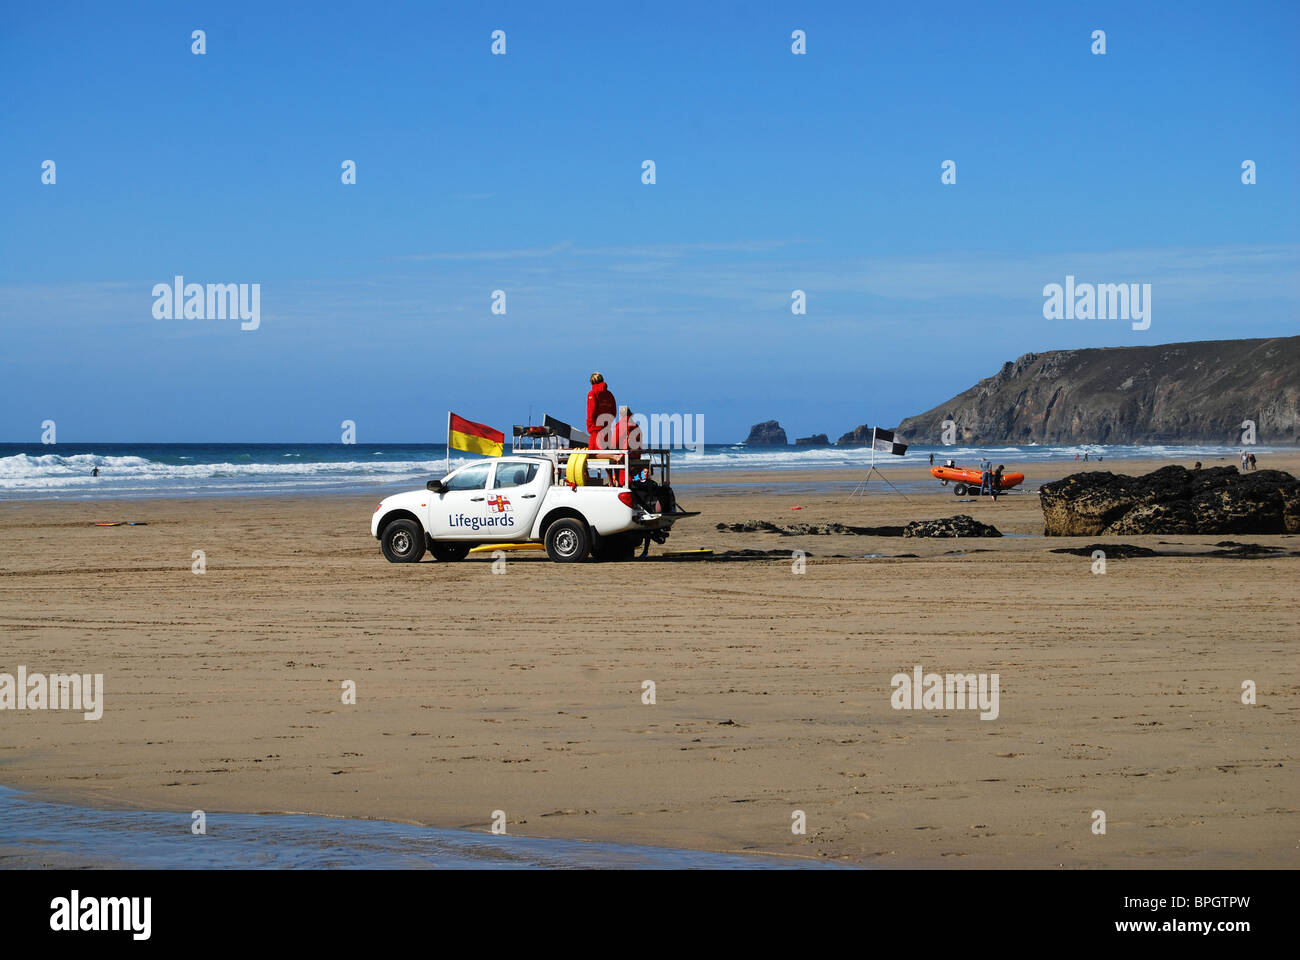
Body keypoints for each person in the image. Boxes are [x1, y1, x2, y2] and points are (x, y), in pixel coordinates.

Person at [586, 372, 616, 449]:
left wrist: (590, 426)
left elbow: (591, 411)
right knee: (605, 451)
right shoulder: (610, 395)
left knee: (594, 453)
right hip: (607, 428)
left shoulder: (592, 394)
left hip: (596, 429)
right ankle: (615, 457)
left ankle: (615, 457)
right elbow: (613, 412)